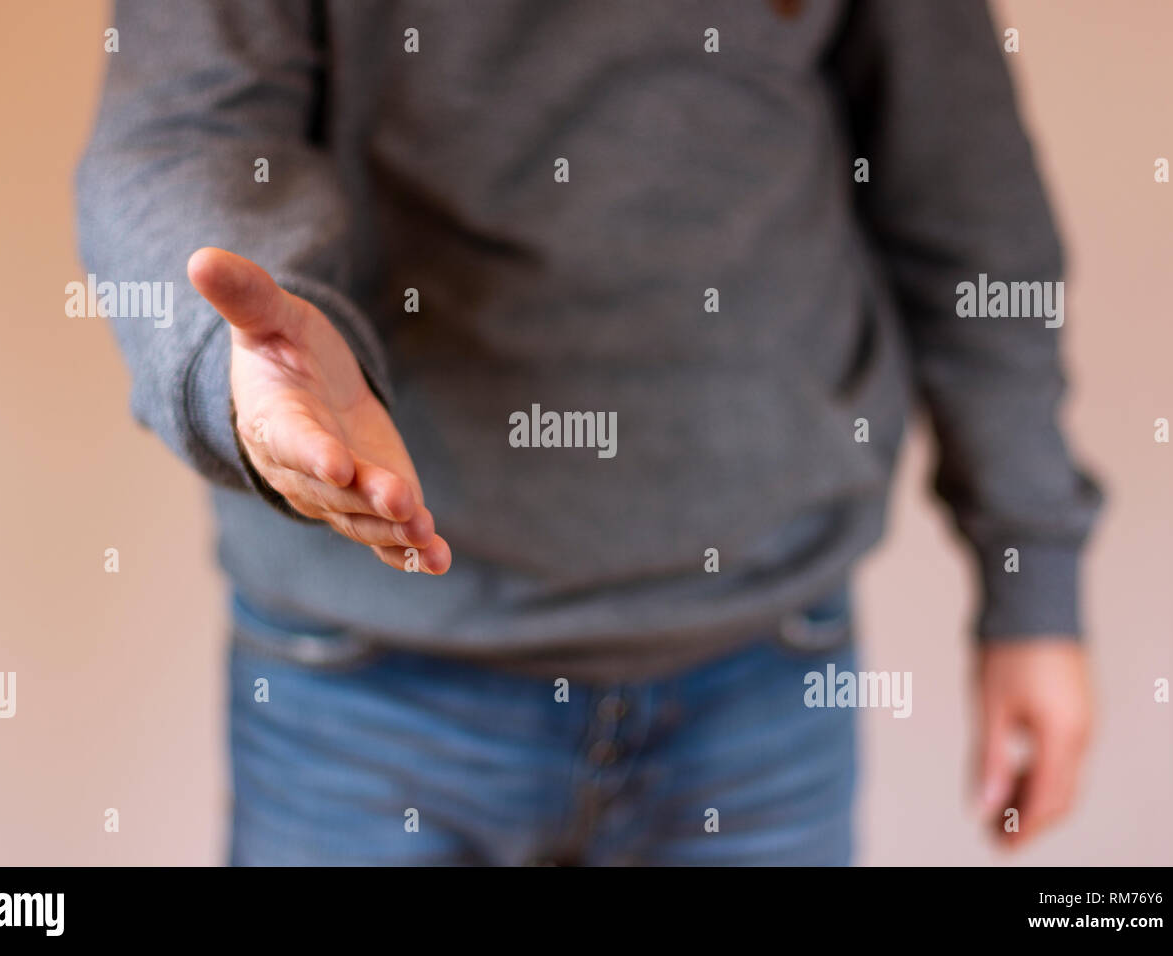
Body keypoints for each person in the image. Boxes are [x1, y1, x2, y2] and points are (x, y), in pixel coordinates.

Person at [77, 0, 1102, 865]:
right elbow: (180, 128)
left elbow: (966, 196)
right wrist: (242, 361)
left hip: (762, 664)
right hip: (362, 684)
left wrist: (1032, 584)